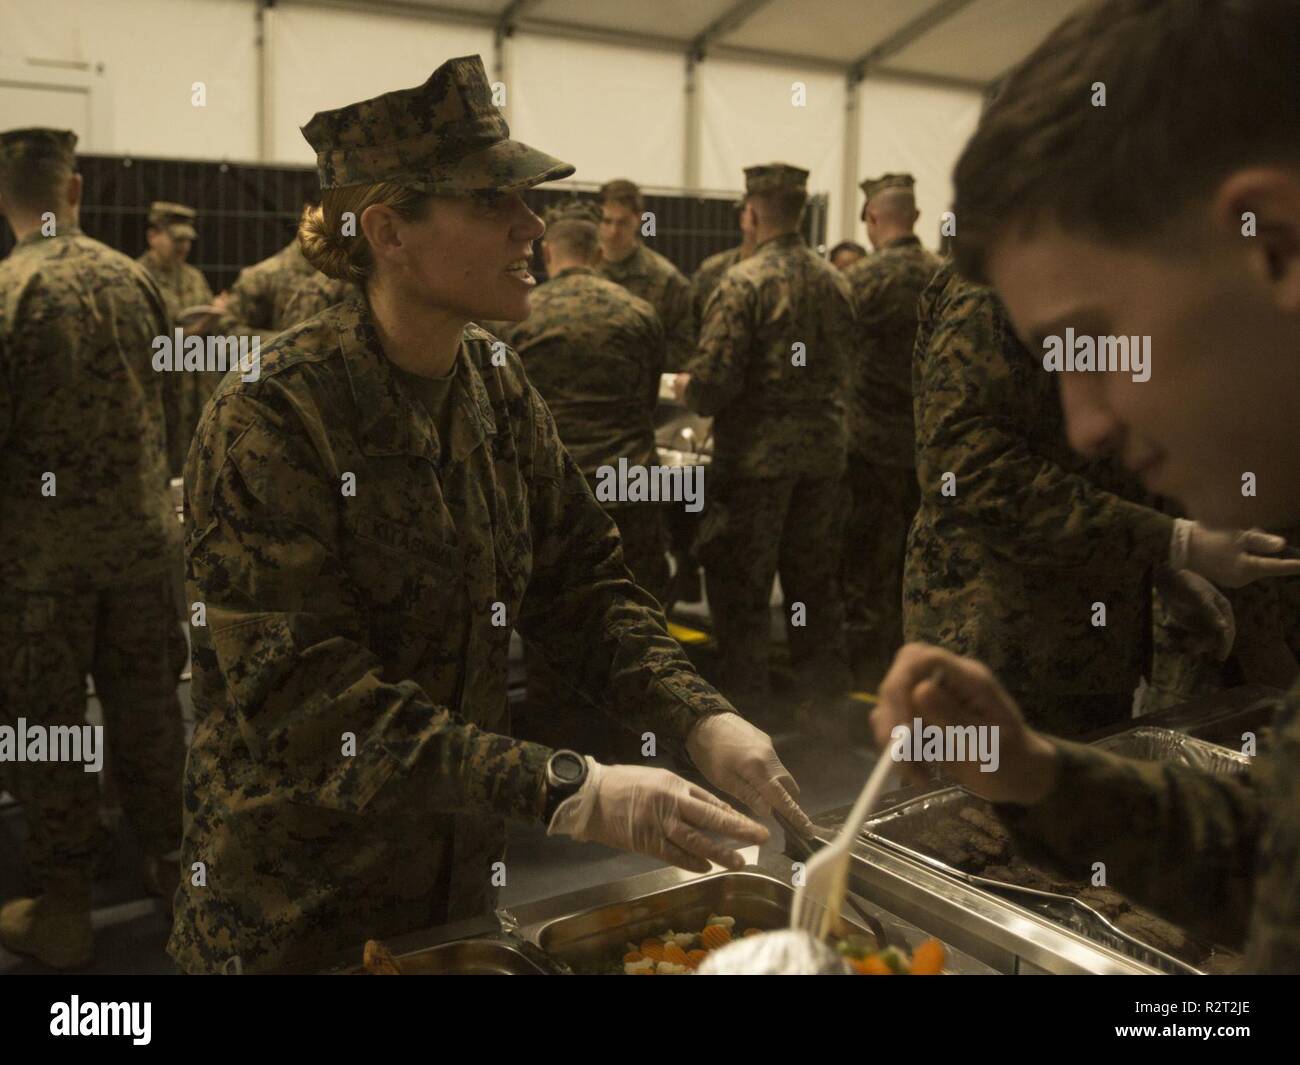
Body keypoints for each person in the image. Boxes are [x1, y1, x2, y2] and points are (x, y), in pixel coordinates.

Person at [167, 56, 811, 974]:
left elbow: (583, 585)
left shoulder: (495, 383)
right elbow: (314, 708)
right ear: (388, 231)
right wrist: (566, 786)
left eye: (528, 199)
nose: (532, 225)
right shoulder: (274, 412)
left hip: (450, 895)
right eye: (491, 203)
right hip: (291, 910)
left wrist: (699, 714)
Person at [871, 0, 1300, 972]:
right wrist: (1036, 778)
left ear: (1270, 242)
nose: (1085, 423)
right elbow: (1270, 859)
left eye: (1095, 342)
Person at [0, 128, 188, 969]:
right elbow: (176, 406)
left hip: (42, 568)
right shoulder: (137, 279)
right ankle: (177, 871)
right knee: (150, 710)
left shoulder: (10, 291)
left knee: (46, 728)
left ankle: (66, 905)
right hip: (144, 549)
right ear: (72, 191)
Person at [675, 163, 855, 724]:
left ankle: (746, 716)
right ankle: (825, 708)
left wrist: (689, 386)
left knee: (742, 590)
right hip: (822, 456)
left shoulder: (743, 281)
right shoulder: (837, 280)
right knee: (813, 587)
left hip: (756, 461)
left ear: (752, 214)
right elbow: (850, 364)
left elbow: (714, 382)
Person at [841, 174, 940, 687]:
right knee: (918, 559)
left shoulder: (862, 279)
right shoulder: (944, 275)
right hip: (929, 448)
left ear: (872, 219)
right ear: (917, 218)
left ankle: (868, 675)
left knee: (867, 564)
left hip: (869, 446)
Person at [137, 200, 226, 475]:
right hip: (161, 393)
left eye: (187, 240)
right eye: (176, 238)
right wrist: (194, 331)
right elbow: (141, 339)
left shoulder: (193, 277)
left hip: (197, 392)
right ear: (153, 236)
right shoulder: (138, 278)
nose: (183, 246)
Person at [596, 178, 694, 371]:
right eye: (607, 221)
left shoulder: (666, 279)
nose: (614, 231)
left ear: (639, 219)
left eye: (622, 222)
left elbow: (684, 346)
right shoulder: (583, 268)